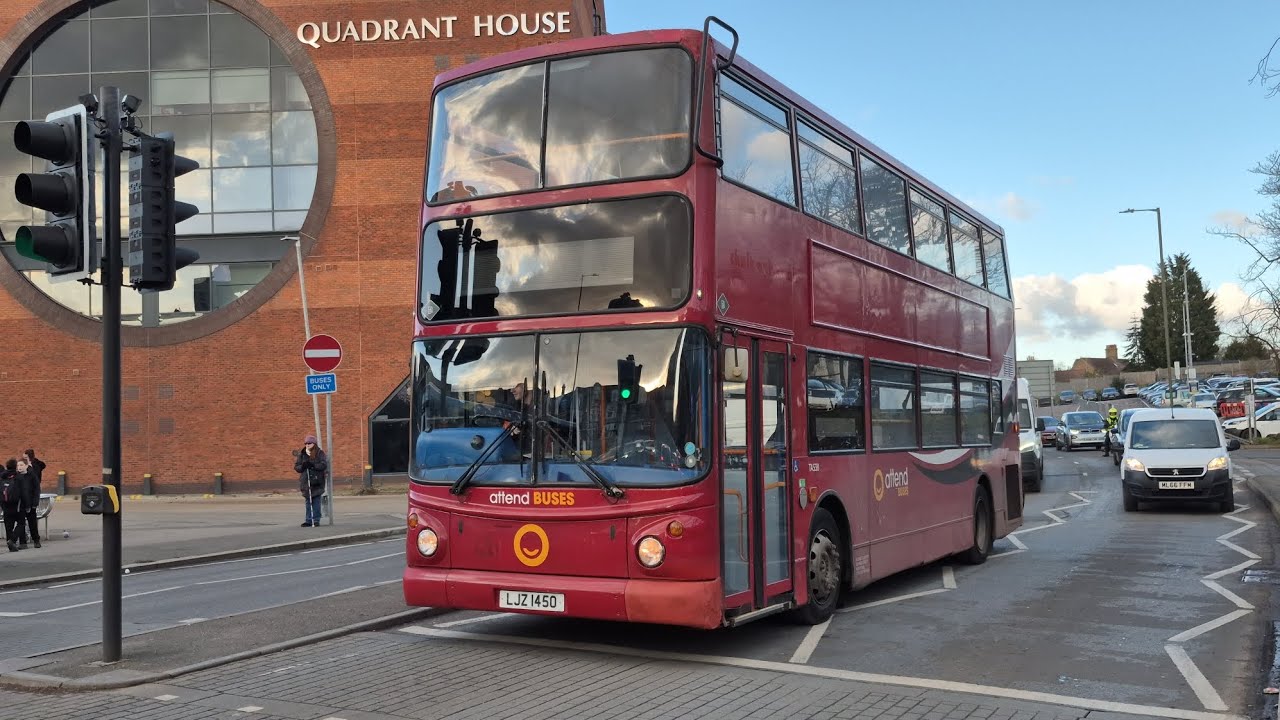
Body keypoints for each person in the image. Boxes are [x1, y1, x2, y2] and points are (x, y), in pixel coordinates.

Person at [294, 435, 327, 527]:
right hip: (306, 481)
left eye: (309, 443)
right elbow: (297, 467)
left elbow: (323, 465)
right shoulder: (302, 454)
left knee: (316, 500)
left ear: (314, 444)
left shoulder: (319, 453)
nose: (307, 445)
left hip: (317, 481)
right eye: (306, 443)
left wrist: (313, 465)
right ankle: (308, 520)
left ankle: (316, 519)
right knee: (308, 501)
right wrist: (303, 466)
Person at [14, 458, 39, 548]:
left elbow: (37, 489)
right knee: (21, 523)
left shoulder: (32, 476)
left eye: (21, 465)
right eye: (18, 465)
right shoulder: (16, 477)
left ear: (26, 466)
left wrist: (35, 502)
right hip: (21, 504)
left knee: (32, 523)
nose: (19, 467)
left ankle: (36, 540)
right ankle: (23, 542)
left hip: (31, 503)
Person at [1, 459, 21, 552]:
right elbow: (23, 491)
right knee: (21, 523)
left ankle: (10, 546)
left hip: (5, 505)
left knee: (8, 526)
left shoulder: (2, 477)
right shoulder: (18, 477)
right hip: (16, 504)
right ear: (15, 466)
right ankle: (12, 540)